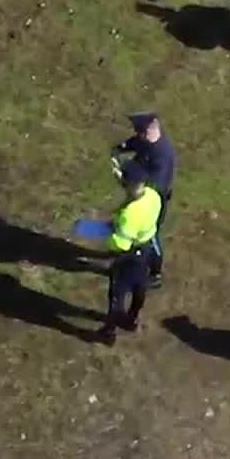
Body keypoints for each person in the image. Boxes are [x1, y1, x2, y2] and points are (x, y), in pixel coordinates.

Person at [93, 161, 162, 344]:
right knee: (140, 288)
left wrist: (110, 233)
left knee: (117, 294)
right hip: (146, 249)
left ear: (130, 184)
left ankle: (109, 332)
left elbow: (120, 244)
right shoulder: (153, 196)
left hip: (129, 256)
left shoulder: (129, 215)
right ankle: (132, 319)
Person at [112, 112, 175, 286]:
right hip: (139, 194)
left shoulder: (162, 155)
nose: (136, 135)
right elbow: (133, 143)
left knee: (150, 235)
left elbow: (148, 189)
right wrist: (120, 148)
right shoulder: (146, 141)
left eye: (138, 132)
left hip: (153, 201)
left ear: (146, 132)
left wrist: (124, 181)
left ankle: (155, 274)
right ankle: (130, 254)